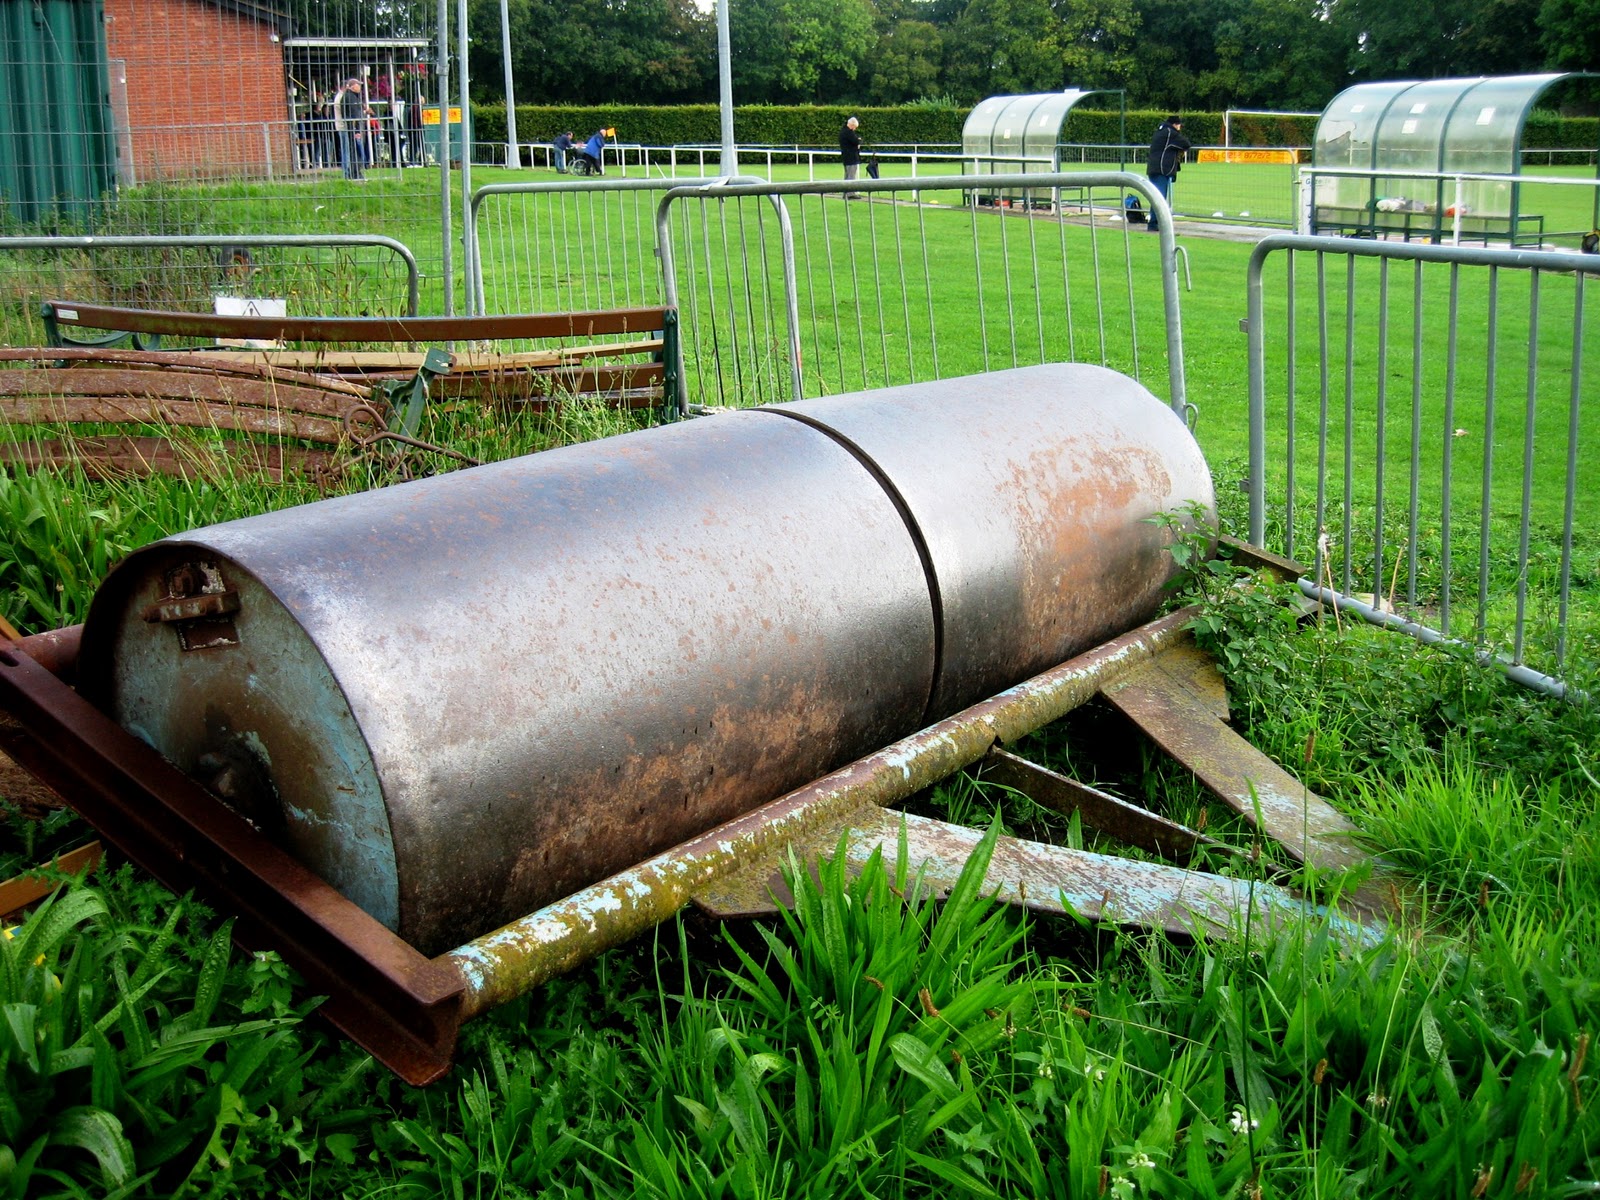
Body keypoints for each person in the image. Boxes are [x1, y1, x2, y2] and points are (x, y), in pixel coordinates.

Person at [1145, 115, 1190, 234]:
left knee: (1155, 196)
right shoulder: (1171, 133)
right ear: (1175, 124)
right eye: (1179, 125)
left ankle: (1154, 222)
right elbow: (1186, 144)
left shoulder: (1160, 131)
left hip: (1153, 168)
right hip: (1162, 169)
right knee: (1159, 197)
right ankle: (1154, 223)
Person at [336, 78, 368, 181]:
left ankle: (353, 172)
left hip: (350, 128)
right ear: (353, 86)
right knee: (352, 151)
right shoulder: (349, 98)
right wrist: (357, 130)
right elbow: (354, 114)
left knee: (352, 150)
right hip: (351, 129)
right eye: (358, 85)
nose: (360, 87)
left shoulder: (350, 97)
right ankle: (351, 172)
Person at [839, 115, 863, 197]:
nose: (854, 129)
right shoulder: (848, 132)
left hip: (846, 157)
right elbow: (856, 141)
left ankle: (846, 193)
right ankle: (850, 194)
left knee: (847, 175)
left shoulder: (842, 131)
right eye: (855, 127)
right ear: (852, 125)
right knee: (851, 176)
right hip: (851, 157)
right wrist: (858, 141)